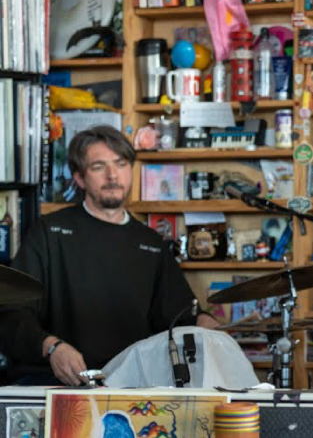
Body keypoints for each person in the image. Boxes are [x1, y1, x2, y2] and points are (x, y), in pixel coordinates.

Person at [0, 126, 219, 386]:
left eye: (121, 164)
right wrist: (50, 347)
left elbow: (178, 315)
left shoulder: (150, 243)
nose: (113, 175)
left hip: (132, 386)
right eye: (98, 167)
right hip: (57, 383)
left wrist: (205, 322)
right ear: (80, 178)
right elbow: (11, 313)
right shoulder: (49, 233)